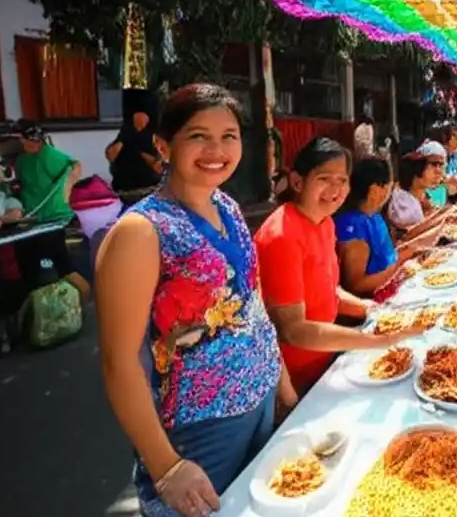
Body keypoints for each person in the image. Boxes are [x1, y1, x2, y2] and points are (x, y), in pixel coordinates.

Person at [95, 84, 286, 517]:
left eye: (229, 136)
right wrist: (166, 467)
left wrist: (280, 378)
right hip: (199, 432)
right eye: (198, 136)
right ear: (163, 146)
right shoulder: (141, 232)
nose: (216, 149)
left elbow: (251, 305)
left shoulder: (229, 207)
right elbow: (119, 362)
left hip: (261, 404)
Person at [255, 137, 426, 395]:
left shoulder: (324, 223)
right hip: (295, 381)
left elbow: (328, 289)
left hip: (326, 362)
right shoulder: (282, 235)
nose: (335, 189)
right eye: (324, 179)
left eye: (342, 180)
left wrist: (370, 309)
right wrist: (371, 339)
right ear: (298, 181)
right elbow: (294, 330)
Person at [335, 157, 442, 300]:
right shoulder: (354, 227)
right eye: (390, 187)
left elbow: (392, 251)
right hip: (378, 300)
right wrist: (400, 263)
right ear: (375, 189)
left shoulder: (373, 215)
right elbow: (357, 286)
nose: (390, 192)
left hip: (397, 279)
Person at [13, 120, 82, 283]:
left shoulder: (50, 156)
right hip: (31, 218)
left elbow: (75, 165)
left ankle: (82, 294)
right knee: (30, 264)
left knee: (62, 264)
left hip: (52, 217)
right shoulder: (22, 159)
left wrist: (67, 188)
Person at [387, 141, 454, 240]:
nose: (439, 171)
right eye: (434, 164)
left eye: (442, 165)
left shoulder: (423, 194)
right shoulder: (403, 203)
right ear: (418, 166)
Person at [106, 89, 163, 199]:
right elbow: (110, 155)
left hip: (149, 191)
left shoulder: (157, 135)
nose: (140, 119)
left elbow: (159, 167)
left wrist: (139, 149)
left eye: (143, 115)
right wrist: (126, 137)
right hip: (122, 191)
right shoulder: (126, 131)